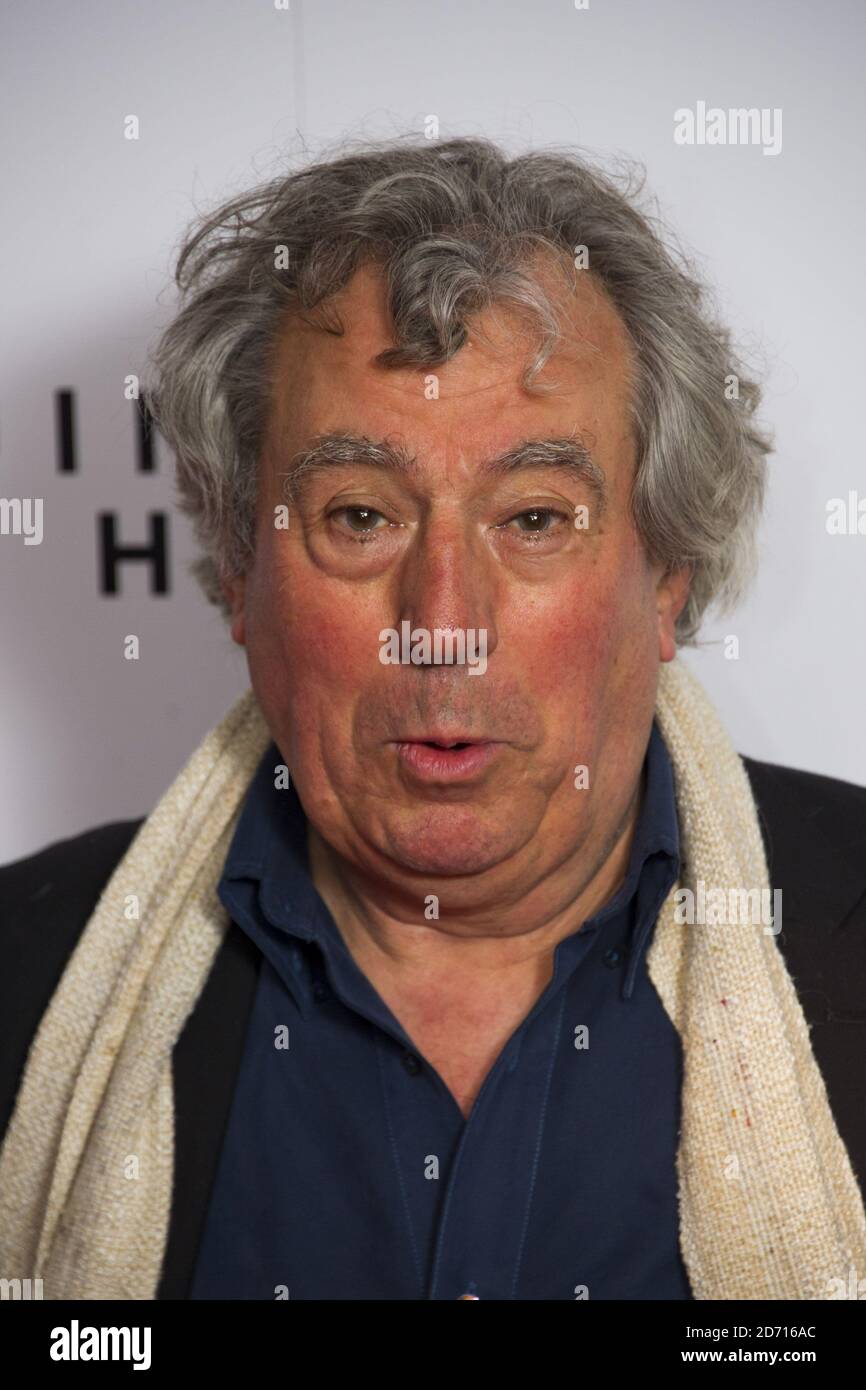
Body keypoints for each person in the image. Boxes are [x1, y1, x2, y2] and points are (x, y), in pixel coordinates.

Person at [2, 136, 865, 1302]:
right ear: (238, 575)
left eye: (533, 517)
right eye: (358, 514)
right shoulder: (25, 973)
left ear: (662, 573)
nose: (443, 622)